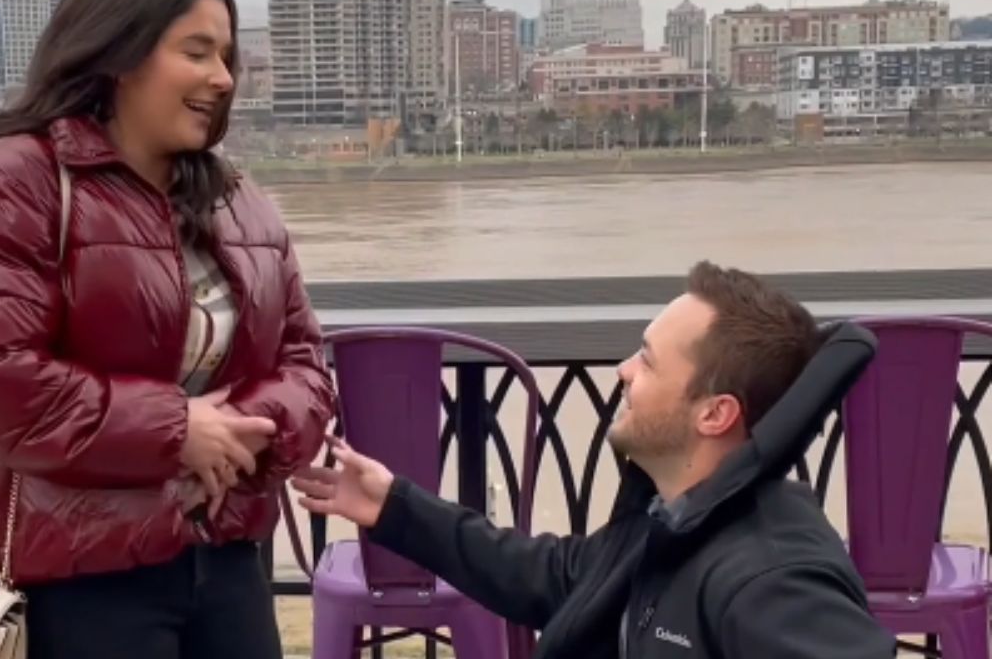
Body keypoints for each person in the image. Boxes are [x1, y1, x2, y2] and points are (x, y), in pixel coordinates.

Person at [0, 0, 335, 659]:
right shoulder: (21, 179)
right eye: (196, 51)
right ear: (119, 52)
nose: (223, 78)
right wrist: (173, 431)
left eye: (227, 56)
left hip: (225, 557)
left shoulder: (239, 202)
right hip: (82, 577)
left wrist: (240, 430)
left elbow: (305, 363)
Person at [292, 260, 896, 659]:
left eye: (648, 360)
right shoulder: (669, 522)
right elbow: (555, 575)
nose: (623, 372)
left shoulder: (769, 577)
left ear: (715, 414)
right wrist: (392, 506)